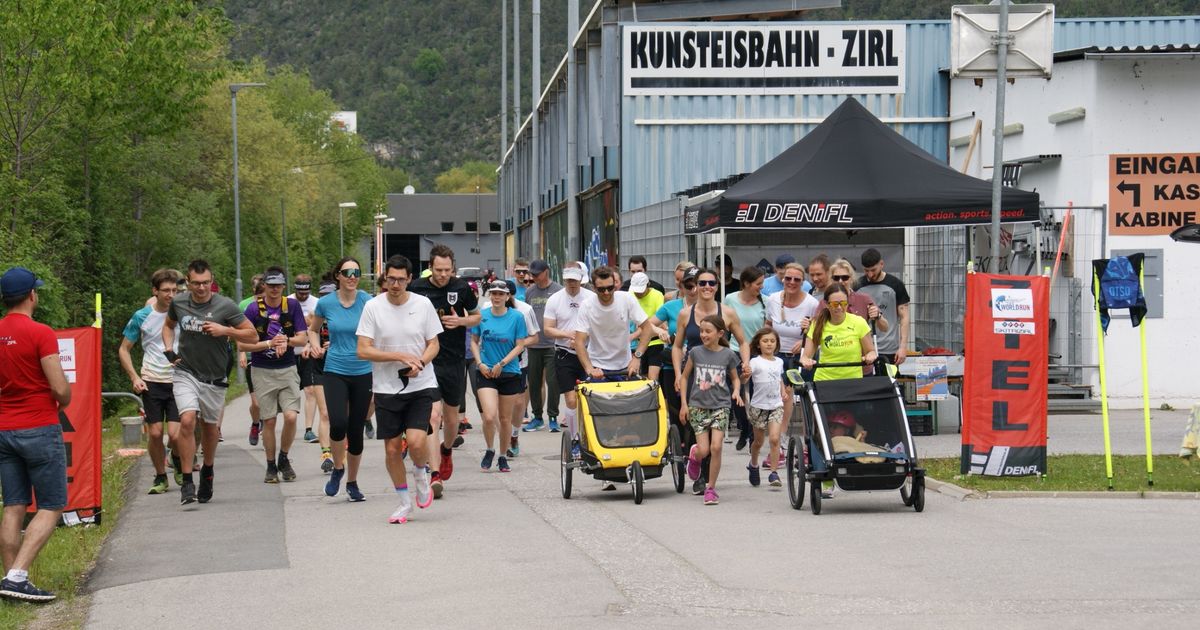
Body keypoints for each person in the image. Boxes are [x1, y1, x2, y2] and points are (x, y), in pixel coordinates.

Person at [0, 267, 70, 602]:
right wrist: (64, 398)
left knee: (13, 505)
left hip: (4, 429)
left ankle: (9, 581)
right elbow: (59, 387)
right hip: (39, 426)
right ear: (32, 295)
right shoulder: (41, 332)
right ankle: (17, 577)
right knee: (52, 504)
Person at [162, 260, 258, 505]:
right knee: (187, 420)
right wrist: (169, 351)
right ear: (188, 282)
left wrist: (225, 331)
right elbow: (168, 326)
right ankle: (187, 481)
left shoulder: (225, 305)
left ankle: (208, 469)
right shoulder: (179, 302)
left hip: (214, 376)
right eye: (196, 283)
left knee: (209, 428)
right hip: (186, 371)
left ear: (212, 281)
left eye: (206, 283)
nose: (202, 288)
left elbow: (252, 335)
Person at [356, 255, 442, 524]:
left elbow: (434, 344)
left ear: (409, 279)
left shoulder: (422, 304)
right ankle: (404, 503)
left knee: (416, 442)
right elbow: (363, 350)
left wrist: (420, 362)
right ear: (385, 278)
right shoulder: (373, 307)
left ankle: (420, 472)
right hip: (386, 387)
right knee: (392, 450)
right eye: (391, 279)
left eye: (401, 280)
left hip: (420, 384)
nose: (395, 285)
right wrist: (398, 356)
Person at [408, 244, 481, 498]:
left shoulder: (461, 288)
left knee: (451, 420)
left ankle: (446, 449)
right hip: (428, 360)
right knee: (433, 416)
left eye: (447, 270)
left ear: (453, 269)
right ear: (430, 268)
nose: (442, 275)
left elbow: (477, 317)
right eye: (438, 270)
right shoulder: (416, 288)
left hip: (454, 359)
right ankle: (435, 474)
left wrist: (461, 321)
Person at [670, 268, 752, 494]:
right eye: (702, 283)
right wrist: (677, 373)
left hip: (719, 375)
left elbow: (743, 342)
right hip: (693, 375)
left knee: (715, 435)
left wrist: (745, 363)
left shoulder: (727, 312)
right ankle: (697, 465)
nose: (707, 287)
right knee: (694, 427)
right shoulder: (685, 314)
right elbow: (677, 346)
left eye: (711, 283)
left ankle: (706, 479)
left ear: (717, 286)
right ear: (696, 286)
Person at [310, 258, 373, 501]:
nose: (352, 276)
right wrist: (315, 346)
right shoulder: (326, 303)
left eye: (356, 272)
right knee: (337, 423)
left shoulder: (367, 301)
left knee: (356, 430)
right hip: (335, 369)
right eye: (347, 272)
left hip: (363, 369)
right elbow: (313, 329)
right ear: (338, 275)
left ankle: (352, 483)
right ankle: (338, 468)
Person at [239, 267, 308, 484]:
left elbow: (303, 338)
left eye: (278, 285)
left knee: (291, 416)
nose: (275, 289)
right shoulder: (253, 310)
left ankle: (283, 457)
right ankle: (270, 465)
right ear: (264, 286)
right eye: (271, 285)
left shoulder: (292, 306)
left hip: (287, 368)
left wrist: (286, 341)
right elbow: (242, 344)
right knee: (268, 421)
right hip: (262, 370)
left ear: (284, 286)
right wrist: (269, 343)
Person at [119, 269, 182, 494]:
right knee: (155, 433)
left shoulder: (183, 312)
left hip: (179, 379)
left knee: (175, 434)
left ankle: (177, 460)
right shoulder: (141, 316)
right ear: (155, 291)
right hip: (152, 380)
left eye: (175, 290)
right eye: (166, 290)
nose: (171, 295)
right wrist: (134, 377)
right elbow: (124, 349)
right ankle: (160, 476)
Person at [470, 280, 534, 473]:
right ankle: (490, 449)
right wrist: (479, 363)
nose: (497, 297)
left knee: (505, 419)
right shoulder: (482, 315)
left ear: (507, 297)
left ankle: (503, 455)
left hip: (509, 371)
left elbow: (520, 345)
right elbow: (474, 341)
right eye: (494, 293)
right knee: (489, 416)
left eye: (501, 294)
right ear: (490, 295)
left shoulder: (517, 317)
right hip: (486, 372)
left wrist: (502, 363)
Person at [679, 315, 742, 506]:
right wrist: (684, 404)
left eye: (708, 331)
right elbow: (684, 377)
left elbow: (735, 378)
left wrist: (736, 391)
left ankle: (710, 488)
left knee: (716, 447)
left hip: (721, 406)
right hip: (698, 406)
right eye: (701, 331)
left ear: (720, 333)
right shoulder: (695, 352)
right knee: (704, 450)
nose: (703, 335)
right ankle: (695, 456)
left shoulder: (728, 354)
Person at [542, 263, 595, 443]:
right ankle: (574, 438)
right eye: (568, 280)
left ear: (581, 279)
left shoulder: (591, 298)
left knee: (588, 399)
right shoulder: (555, 299)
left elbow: (598, 326)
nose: (572, 284)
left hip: (588, 354)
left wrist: (580, 339)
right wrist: (567, 335)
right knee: (571, 400)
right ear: (564, 280)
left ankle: (590, 436)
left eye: (575, 280)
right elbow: (548, 329)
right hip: (564, 354)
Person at [573, 267, 653, 381]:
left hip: (625, 366)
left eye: (610, 288)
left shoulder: (627, 299)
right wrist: (589, 369)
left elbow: (647, 328)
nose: (606, 292)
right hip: (598, 366)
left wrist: (637, 357)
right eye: (601, 289)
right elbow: (579, 341)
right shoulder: (587, 306)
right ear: (594, 288)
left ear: (615, 285)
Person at [724, 266, 767, 451]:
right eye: (758, 284)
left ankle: (751, 434)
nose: (761, 287)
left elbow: (767, 328)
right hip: (735, 350)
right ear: (747, 284)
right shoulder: (730, 299)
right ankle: (744, 426)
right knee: (736, 392)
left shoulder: (764, 302)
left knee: (755, 394)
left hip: (757, 352)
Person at [800, 284, 878, 381]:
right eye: (835, 304)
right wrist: (806, 361)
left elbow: (871, 351)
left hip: (853, 381)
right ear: (827, 304)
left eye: (844, 303)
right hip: (825, 380)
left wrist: (870, 355)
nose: (840, 307)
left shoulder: (859, 322)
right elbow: (806, 356)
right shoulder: (817, 324)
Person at [519, 259, 561, 432]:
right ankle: (537, 417)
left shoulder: (558, 290)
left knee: (553, 382)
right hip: (534, 344)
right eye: (532, 274)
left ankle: (553, 417)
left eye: (537, 274)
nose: (534, 277)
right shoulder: (530, 291)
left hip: (552, 344)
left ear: (546, 272)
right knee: (534, 383)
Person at [856, 248, 911, 366]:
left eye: (873, 270)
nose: (870, 274)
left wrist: (903, 347)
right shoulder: (857, 286)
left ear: (881, 264)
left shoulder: (896, 284)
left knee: (888, 378)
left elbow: (904, 317)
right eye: (866, 270)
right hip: (864, 348)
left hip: (889, 348)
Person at [747, 328, 787, 487]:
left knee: (775, 439)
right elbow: (745, 379)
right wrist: (744, 375)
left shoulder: (779, 361)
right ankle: (753, 464)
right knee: (758, 442)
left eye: (772, 341)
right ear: (758, 344)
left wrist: (783, 391)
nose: (769, 344)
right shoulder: (755, 362)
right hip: (758, 406)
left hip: (776, 405)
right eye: (765, 341)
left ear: (777, 344)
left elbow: (779, 378)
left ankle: (774, 473)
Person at [289, 274, 324, 445]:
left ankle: (308, 430)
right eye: (300, 293)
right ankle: (268, 423)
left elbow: (316, 329)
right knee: (289, 393)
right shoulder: (287, 302)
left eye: (306, 293)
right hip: (289, 353)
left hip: (308, 353)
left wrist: (310, 344)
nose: (303, 296)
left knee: (310, 391)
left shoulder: (317, 303)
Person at [239, 274, 265, 446]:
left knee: (268, 402)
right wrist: (241, 352)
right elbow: (238, 330)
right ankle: (256, 423)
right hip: (252, 356)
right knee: (256, 403)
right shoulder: (245, 306)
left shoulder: (277, 306)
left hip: (270, 357)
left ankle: (267, 435)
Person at [628, 272, 665, 379]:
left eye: (640, 291)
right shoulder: (630, 295)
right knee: (639, 376)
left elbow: (660, 320)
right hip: (637, 343)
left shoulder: (657, 295)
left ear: (648, 285)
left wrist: (642, 327)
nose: (638, 294)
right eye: (636, 291)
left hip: (655, 341)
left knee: (653, 377)